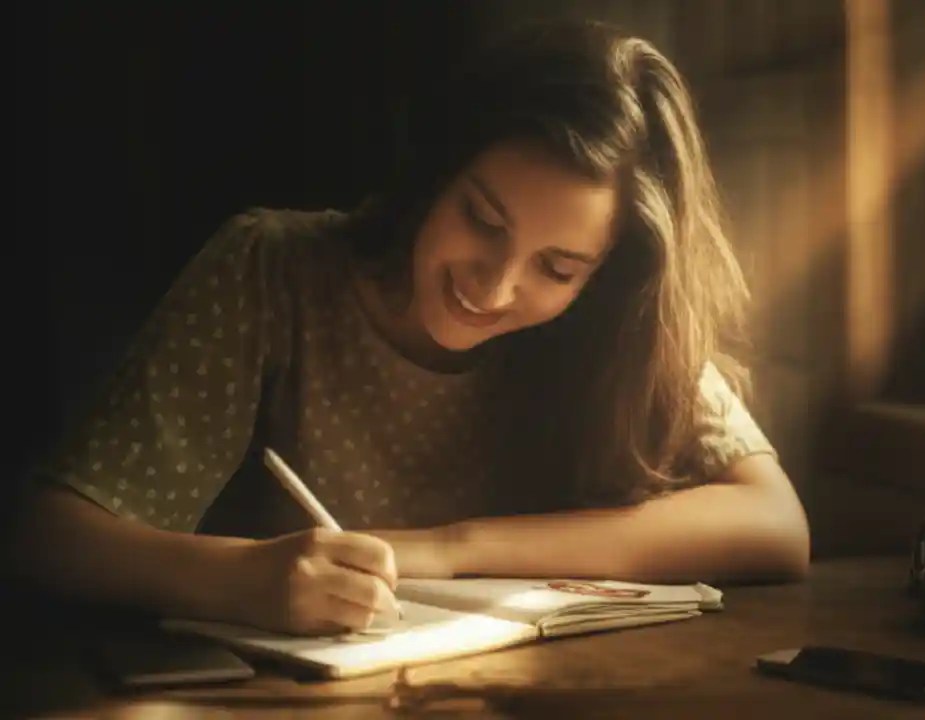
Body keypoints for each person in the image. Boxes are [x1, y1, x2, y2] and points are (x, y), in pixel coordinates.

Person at [6, 19, 809, 637]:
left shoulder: (615, 325)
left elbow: (772, 522)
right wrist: (238, 578)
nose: (494, 286)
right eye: (481, 218)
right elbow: (48, 538)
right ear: (435, 169)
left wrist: (448, 548)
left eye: (556, 269)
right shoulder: (273, 270)